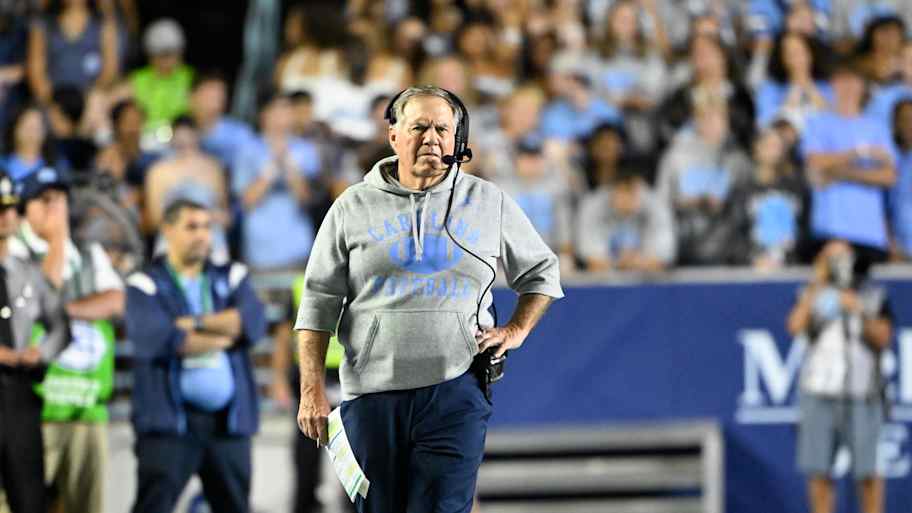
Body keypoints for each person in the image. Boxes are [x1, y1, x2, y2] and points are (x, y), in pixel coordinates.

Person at [295, 85, 563, 513]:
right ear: (394, 136)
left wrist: (516, 330)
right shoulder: (351, 206)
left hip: (456, 385)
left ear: (458, 139)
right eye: (419, 126)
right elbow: (317, 303)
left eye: (442, 128)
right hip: (371, 393)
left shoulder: (487, 201)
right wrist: (311, 390)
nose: (431, 137)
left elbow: (542, 273)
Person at [124, 196, 267, 513]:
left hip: (227, 425)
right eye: (192, 227)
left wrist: (195, 323)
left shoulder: (232, 275)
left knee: (236, 507)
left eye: (207, 226)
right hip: (169, 423)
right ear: (167, 230)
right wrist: (223, 333)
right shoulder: (144, 282)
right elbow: (157, 339)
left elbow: (252, 324)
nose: (203, 235)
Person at [8, 166, 124, 513]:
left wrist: (61, 311)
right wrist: (57, 240)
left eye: (60, 199)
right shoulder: (10, 252)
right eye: (44, 200)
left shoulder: (89, 254)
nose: (55, 208)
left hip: (86, 405)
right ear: (22, 209)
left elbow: (116, 301)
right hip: (32, 408)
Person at [787, 241, 892, 513]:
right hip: (819, 390)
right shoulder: (810, 293)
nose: (838, 263)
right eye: (831, 257)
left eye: (843, 256)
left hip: (862, 391)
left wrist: (856, 306)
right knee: (819, 471)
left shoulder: (871, 293)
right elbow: (795, 326)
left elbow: (882, 337)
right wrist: (816, 286)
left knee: (868, 472)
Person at [0, 169, 69, 513]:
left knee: (30, 500)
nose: (5, 217)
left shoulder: (27, 271)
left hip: (19, 397)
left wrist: (39, 352)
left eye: (10, 207)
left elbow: (60, 326)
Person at [801, 60, 897, 262]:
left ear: (862, 85)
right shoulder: (817, 123)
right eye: (842, 80)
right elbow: (814, 164)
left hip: (870, 234)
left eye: (853, 80)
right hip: (829, 229)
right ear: (833, 85)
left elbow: (889, 176)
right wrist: (860, 153)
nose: (848, 87)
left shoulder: (876, 127)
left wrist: (839, 172)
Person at [232, 90, 320, 271]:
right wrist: (271, 167)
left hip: (298, 247)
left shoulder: (305, 149)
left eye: (288, 109)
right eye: (280, 109)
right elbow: (246, 202)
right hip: (260, 250)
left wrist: (288, 163)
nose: (287, 115)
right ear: (264, 114)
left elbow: (306, 199)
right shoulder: (247, 149)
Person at [575, 162, 675, 273]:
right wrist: (618, 263)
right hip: (605, 281)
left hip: (646, 279)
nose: (627, 198)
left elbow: (662, 257)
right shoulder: (592, 206)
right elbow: (592, 260)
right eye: (622, 190)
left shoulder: (656, 205)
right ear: (612, 190)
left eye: (632, 191)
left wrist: (637, 262)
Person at [129, 18, 193, 146]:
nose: (168, 60)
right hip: (143, 141)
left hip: (179, 143)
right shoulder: (138, 78)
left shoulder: (190, 78)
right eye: (162, 54)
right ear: (151, 55)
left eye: (172, 53)